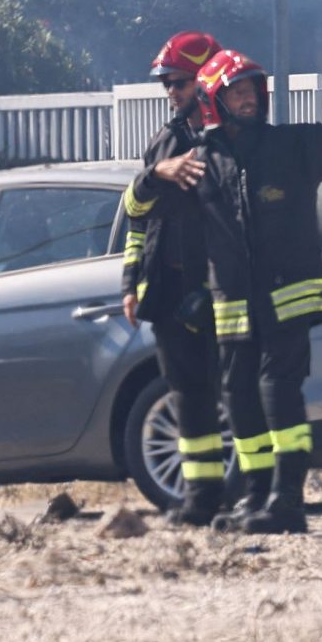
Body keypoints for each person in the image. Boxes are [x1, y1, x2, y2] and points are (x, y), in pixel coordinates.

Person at [192, 48, 322, 534]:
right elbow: (162, 217)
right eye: (236, 92)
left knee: (277, 392)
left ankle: (288, 500)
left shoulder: (288, 148)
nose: (247, 100)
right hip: (234, 305)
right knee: (238, 397)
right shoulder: (202, 163)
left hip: (289, 296)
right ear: (214, 102)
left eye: (251, 92)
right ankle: (255, 496)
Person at [117, 30, 226, 524]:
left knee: (235, 398)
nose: (171, 93)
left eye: (179, 82)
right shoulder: (163, 143)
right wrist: (129, 284)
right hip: (168, 294)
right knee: (187, 397)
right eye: (168, 84)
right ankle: (200, 500)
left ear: (205, 82)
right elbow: (135, 214)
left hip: (221, 292)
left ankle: (251, 496)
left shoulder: (231, 140)